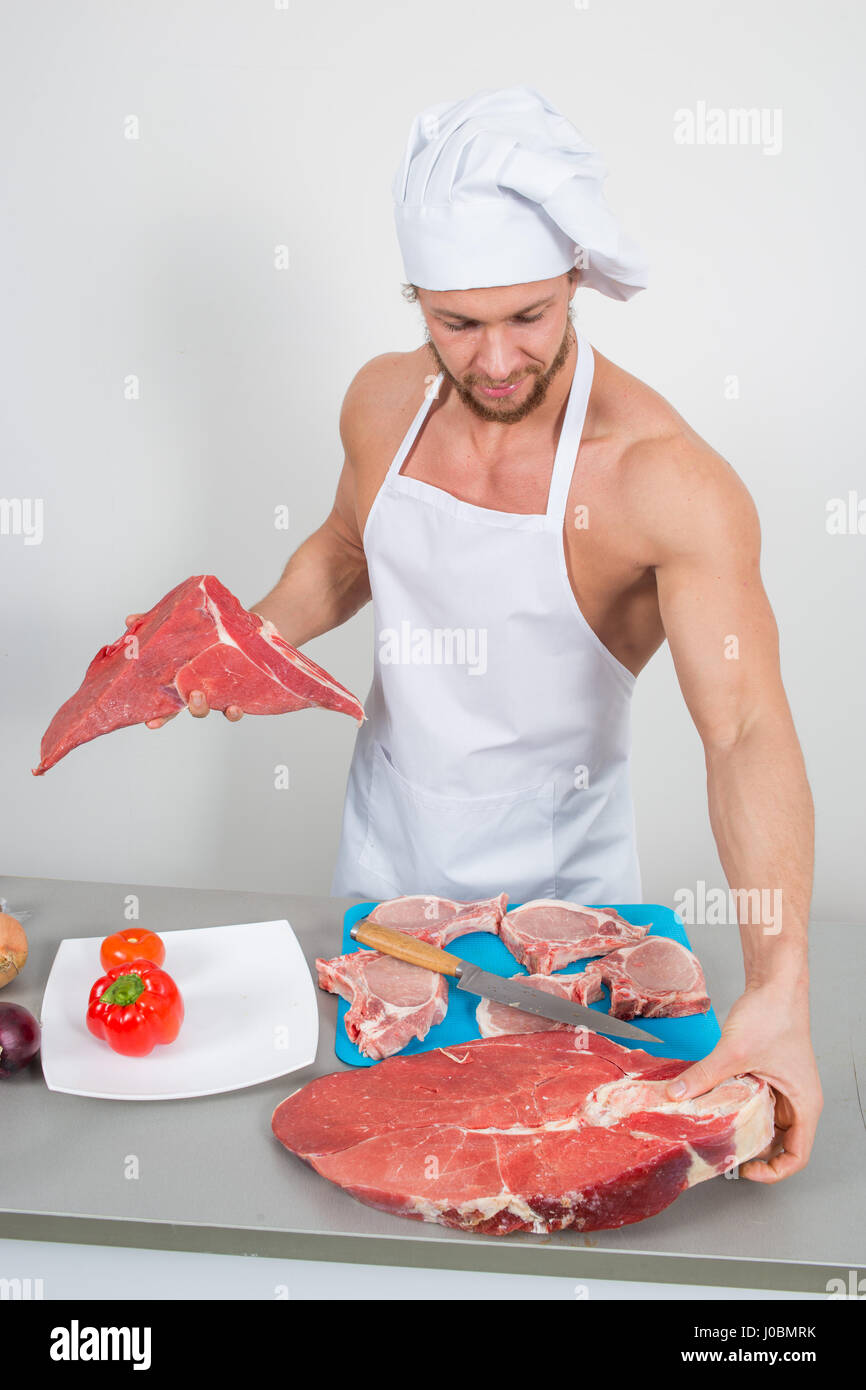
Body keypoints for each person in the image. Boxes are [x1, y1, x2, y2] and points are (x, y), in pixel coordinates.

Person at [133, 87, 820, 1182]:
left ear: (574, 284)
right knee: (362, 1161)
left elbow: (742, 730)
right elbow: (351, 551)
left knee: (537, 1175)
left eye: (528, 317)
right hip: (383, 866)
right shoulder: (378, 401)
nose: (494, 359)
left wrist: (778, 984)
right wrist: (254, 638)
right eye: (456, 323)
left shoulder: (662, 480)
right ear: (415, 298)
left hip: (567, 909)